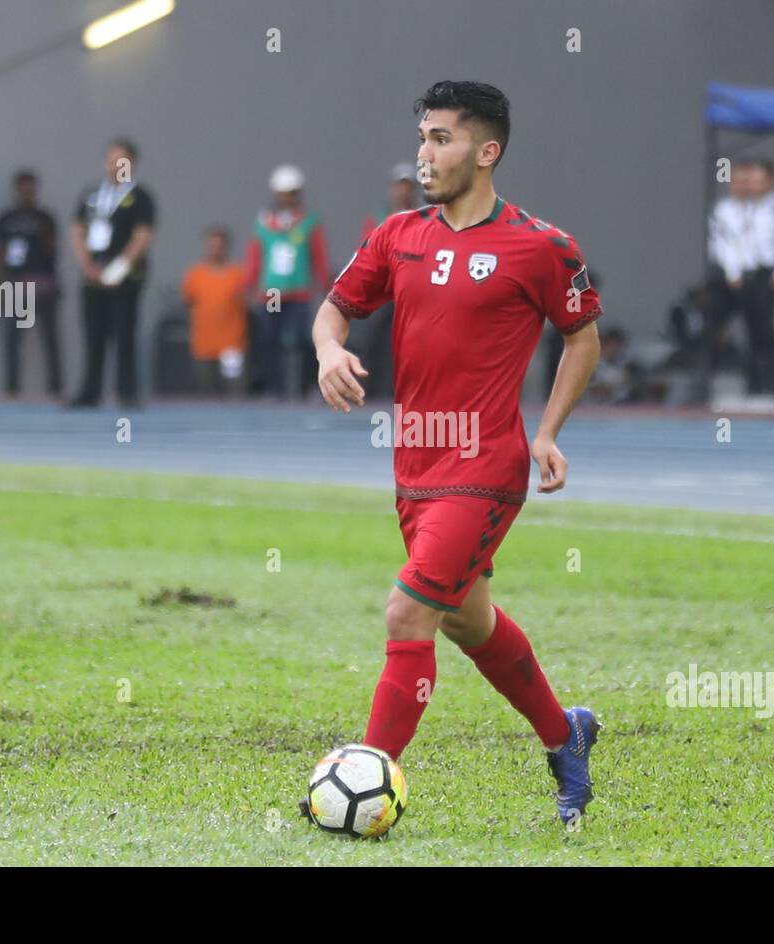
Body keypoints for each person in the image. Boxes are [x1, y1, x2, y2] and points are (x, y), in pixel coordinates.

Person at [309, 80, 604, 826]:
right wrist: (327, 351)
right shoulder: (398, 234)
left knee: (409, 613)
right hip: (415, 466)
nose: (425, 153)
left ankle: (364, 786)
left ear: (486, 151)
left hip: (484, 469)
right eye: (423, 138)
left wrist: (546, 432)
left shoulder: (540, 246)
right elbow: (334, 310)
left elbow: (582, 338)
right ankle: (564, 735)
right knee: (469, 621)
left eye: (442, 139)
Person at [703, 158, 774, 396]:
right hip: (743, 276)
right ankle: (751, 384)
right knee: (746, 329)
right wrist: (734, 272)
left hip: (769, 276)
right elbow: (727, 244)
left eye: (757, 181)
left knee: (770, 332)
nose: (751, 186)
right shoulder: (738, 208)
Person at [68, 137, 156, 408]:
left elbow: (142, 237)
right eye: (111, 159)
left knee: (124, 334)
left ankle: (126, 391)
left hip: (125, 278)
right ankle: (90, 391)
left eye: (122, 160)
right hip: (93, 275)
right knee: (93, 335)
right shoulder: (92, 195)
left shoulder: (140, 198)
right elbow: (77, 231)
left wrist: (117, 271)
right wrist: (88, 267)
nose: (115, 165)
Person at [244, 165, 331, 399]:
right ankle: (276, 388)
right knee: (270, 338)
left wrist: (327, 285)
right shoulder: (264, 223)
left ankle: (307, 386)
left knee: (301, 338)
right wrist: (248, 286)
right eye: (283, 193)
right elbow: (255, 257)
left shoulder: (309, 222)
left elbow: (318, 256)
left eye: (291, 193)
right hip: (273, 292)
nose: (287, 198)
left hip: (299, 292)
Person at [355, 162, 420, 399]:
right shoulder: (378, 219)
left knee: (409, 344)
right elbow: (365, 252)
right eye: (400, 186)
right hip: (382, 289)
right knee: (372, 339)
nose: (403, 191)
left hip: (409, 292)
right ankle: (367, 390)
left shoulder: (422, 218)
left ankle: (404, 391)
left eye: (407, 187)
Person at [0, 169, 61, 397]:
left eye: (30, 188)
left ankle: (55, 386)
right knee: (12, 336)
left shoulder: (45, 218)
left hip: (43, 283)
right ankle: (12, 387)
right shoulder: (6, 219)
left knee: (50, 336)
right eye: (23, 188)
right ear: (16, 190)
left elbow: (53, 249)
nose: (27, 193)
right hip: (16, 283)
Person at [181, 226, 248, 396]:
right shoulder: (195, 274)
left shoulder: (238, 274)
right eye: (212, 245)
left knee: (235, 392)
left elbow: (249, 301)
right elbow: (188, 303)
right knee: (206, 394)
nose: (216, 250)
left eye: (220, 246)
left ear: (227, 248)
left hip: (232, 345)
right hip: (203, 345)